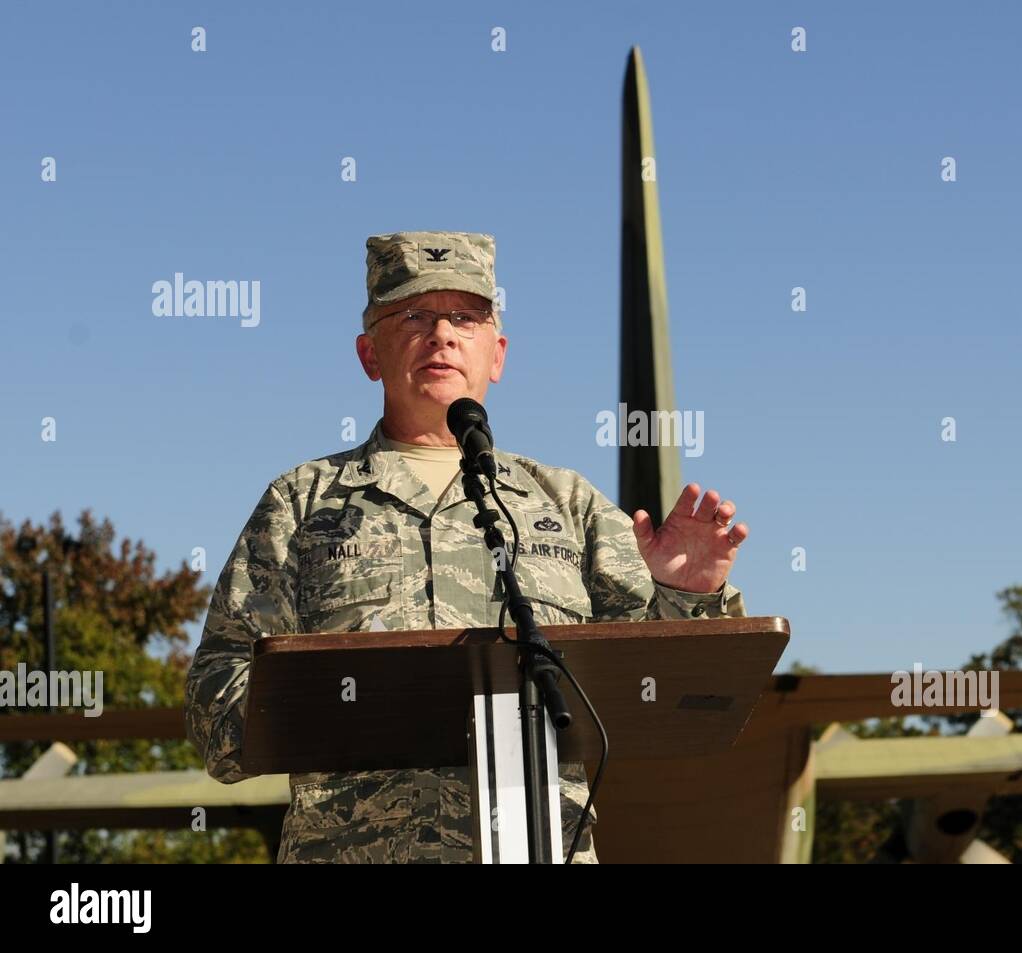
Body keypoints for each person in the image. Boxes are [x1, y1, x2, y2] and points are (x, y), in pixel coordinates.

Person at [184, 230, 748, 863]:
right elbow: (217, 709)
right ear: (369, 354)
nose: (443, 335)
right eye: (414, 316)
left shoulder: (566, 504)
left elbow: (666, 703)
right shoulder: (304, 503)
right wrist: (340, 706)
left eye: (466, 317)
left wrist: (682, 595)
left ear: (498, 354)